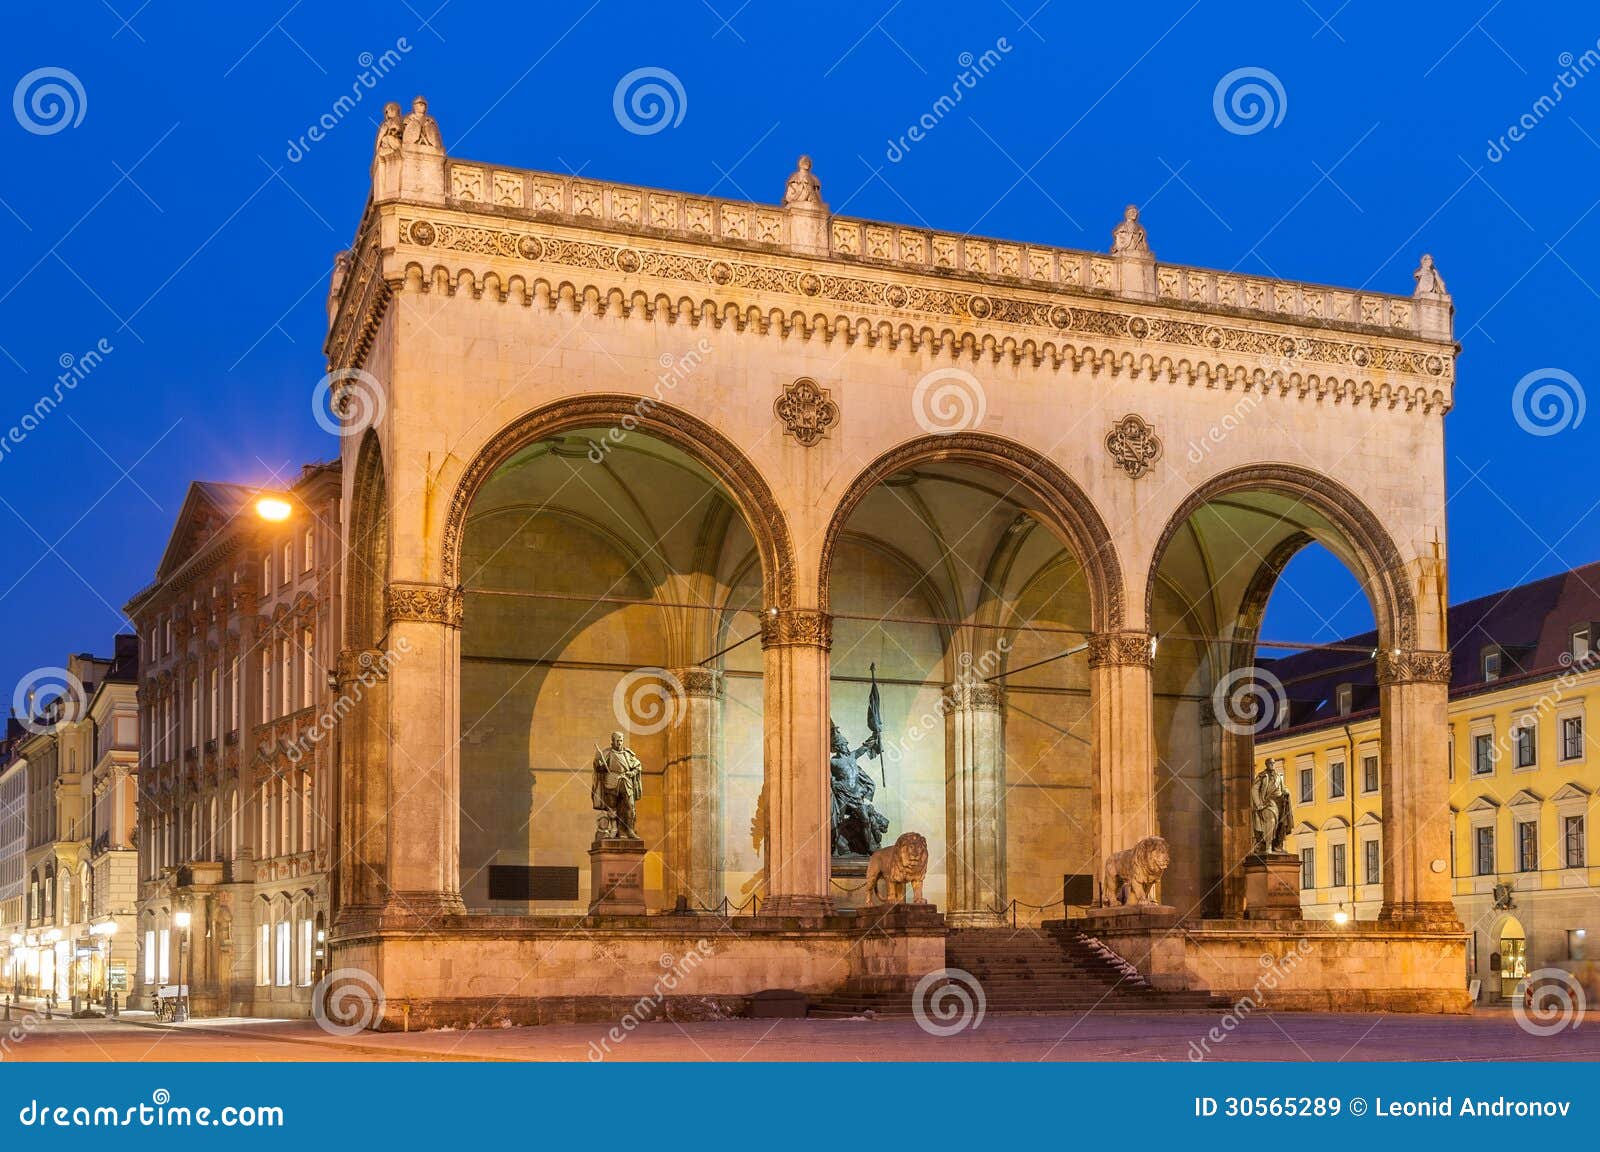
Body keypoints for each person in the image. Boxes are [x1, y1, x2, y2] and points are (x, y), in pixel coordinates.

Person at [592, 731, 643, 840]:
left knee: (630, 806)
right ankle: (614, 829)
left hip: (625, 781)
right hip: (611, 782)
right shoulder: (607, 753)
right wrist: (599, 763)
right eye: (617, 741)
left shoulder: (627, 754)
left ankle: (630, 830)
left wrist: (631, 773)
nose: (619, 743)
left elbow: (637, 766)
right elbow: (599, 769)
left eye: (621, 741)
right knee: (612, 806)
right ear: (612, 741)